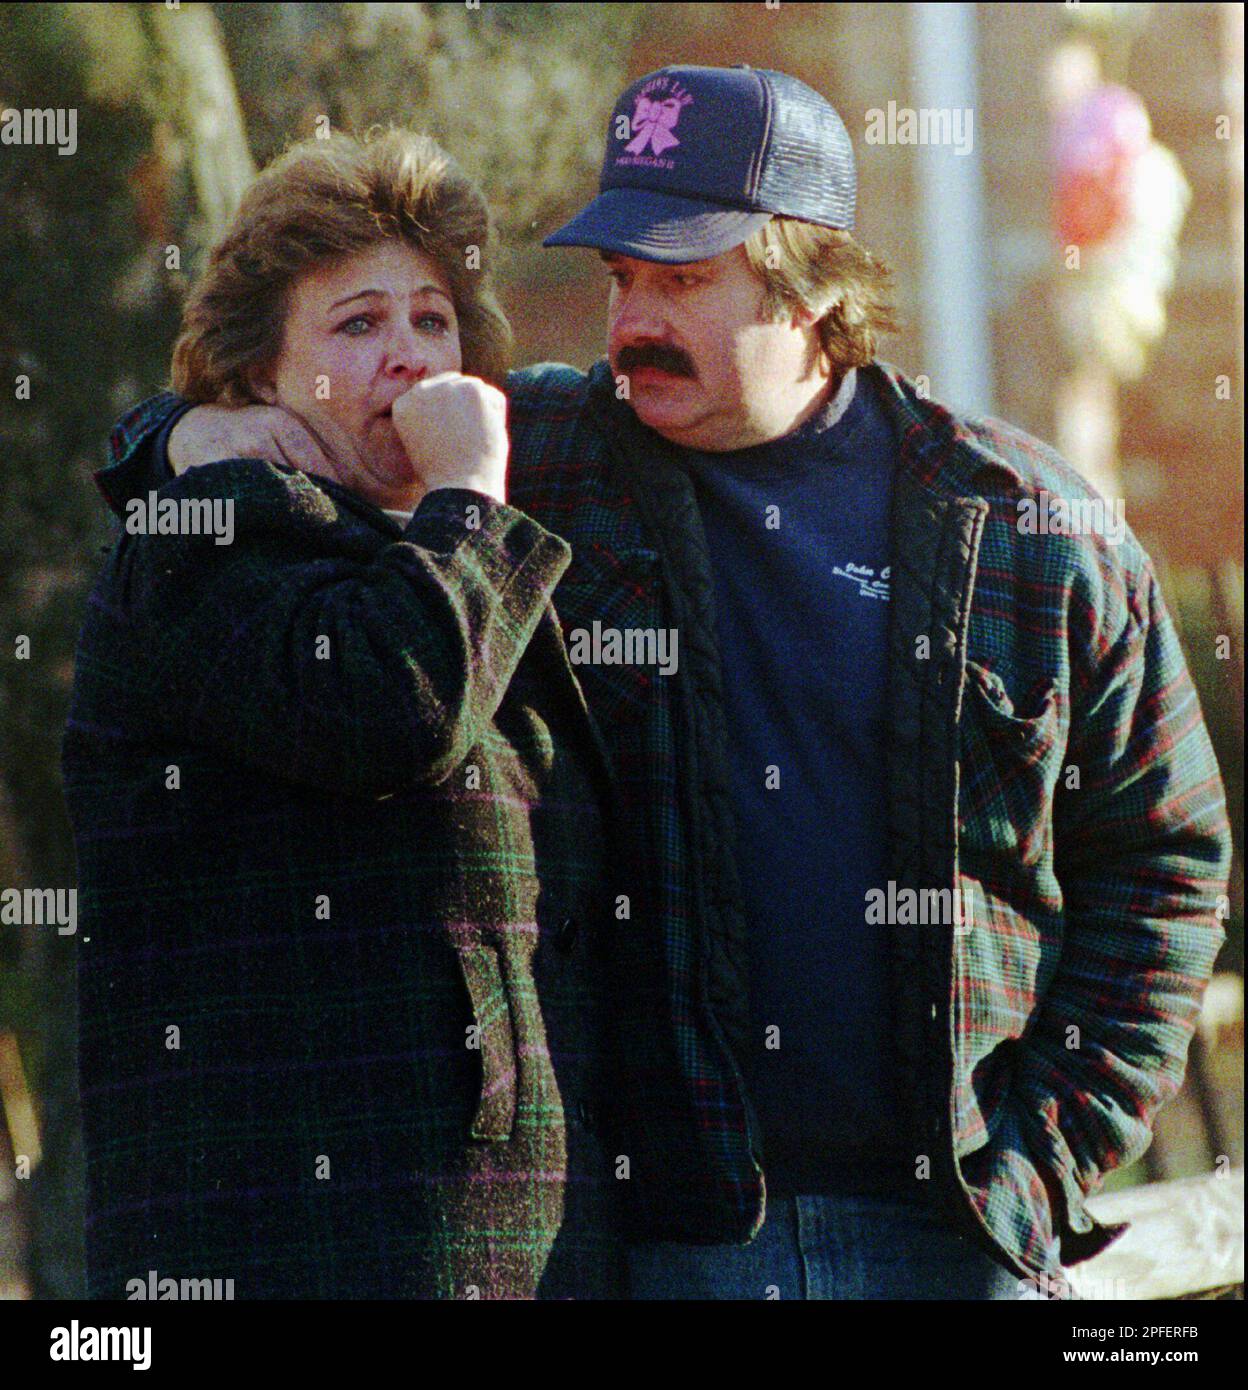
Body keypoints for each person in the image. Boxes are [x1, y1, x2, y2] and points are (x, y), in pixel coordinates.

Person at [106, 65, 1232, 1300]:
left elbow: (1167, 859)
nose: (633, 319)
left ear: (813, 283)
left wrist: (1042, 1158)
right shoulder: (540, 458)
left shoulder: (1030, 526)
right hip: (672, 1244)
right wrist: (182, 436)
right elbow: (330, 418)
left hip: (959, 1237)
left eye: (683, 279)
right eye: (619, 276)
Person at [63, 129, 625, 1300]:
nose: (408, 355)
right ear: (260, 376)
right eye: (357, 325)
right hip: (302, 1244)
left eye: (433, 319)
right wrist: (468, 494)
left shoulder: (448, 560)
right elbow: (389, 711)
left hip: (511, 1244)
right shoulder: (207, 542)